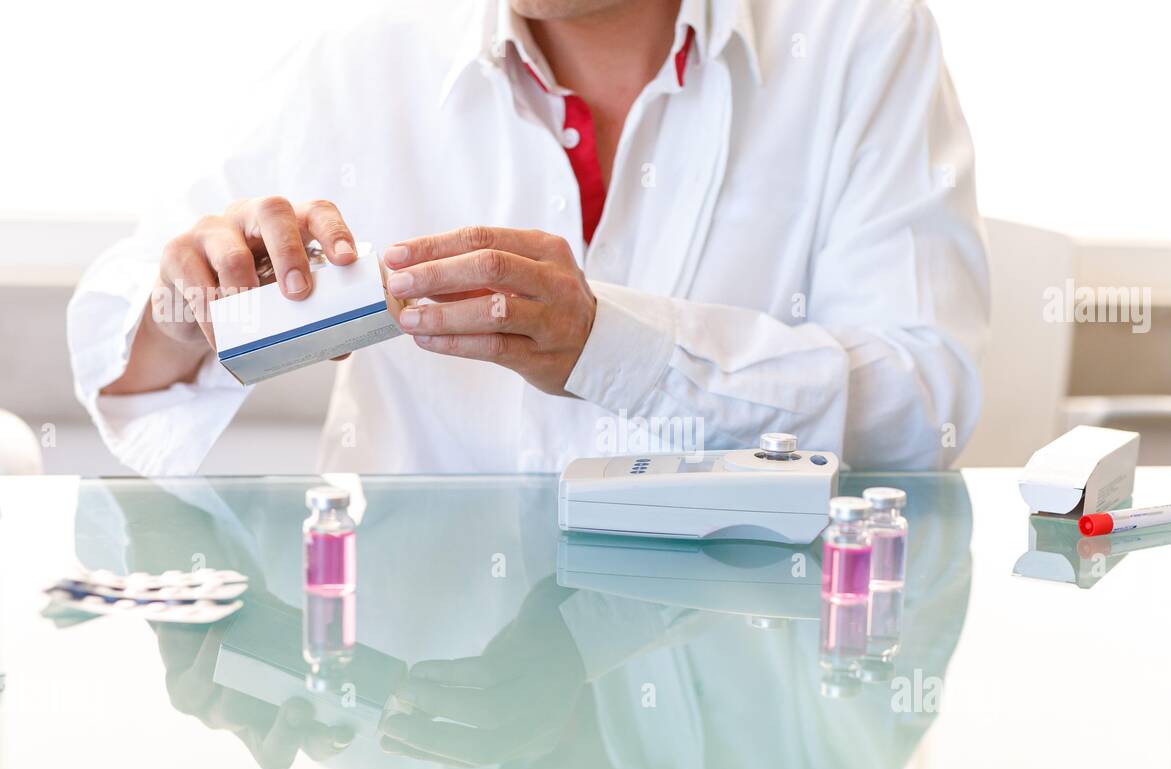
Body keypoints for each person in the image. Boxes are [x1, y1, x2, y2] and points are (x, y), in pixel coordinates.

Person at [67, 0, 988, 476]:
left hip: (742, 646)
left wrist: (616, 348)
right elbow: (123, 354)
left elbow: (924, 399)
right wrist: (189, 313)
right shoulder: (367, 50)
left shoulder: (856, 36)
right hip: (424, 650)